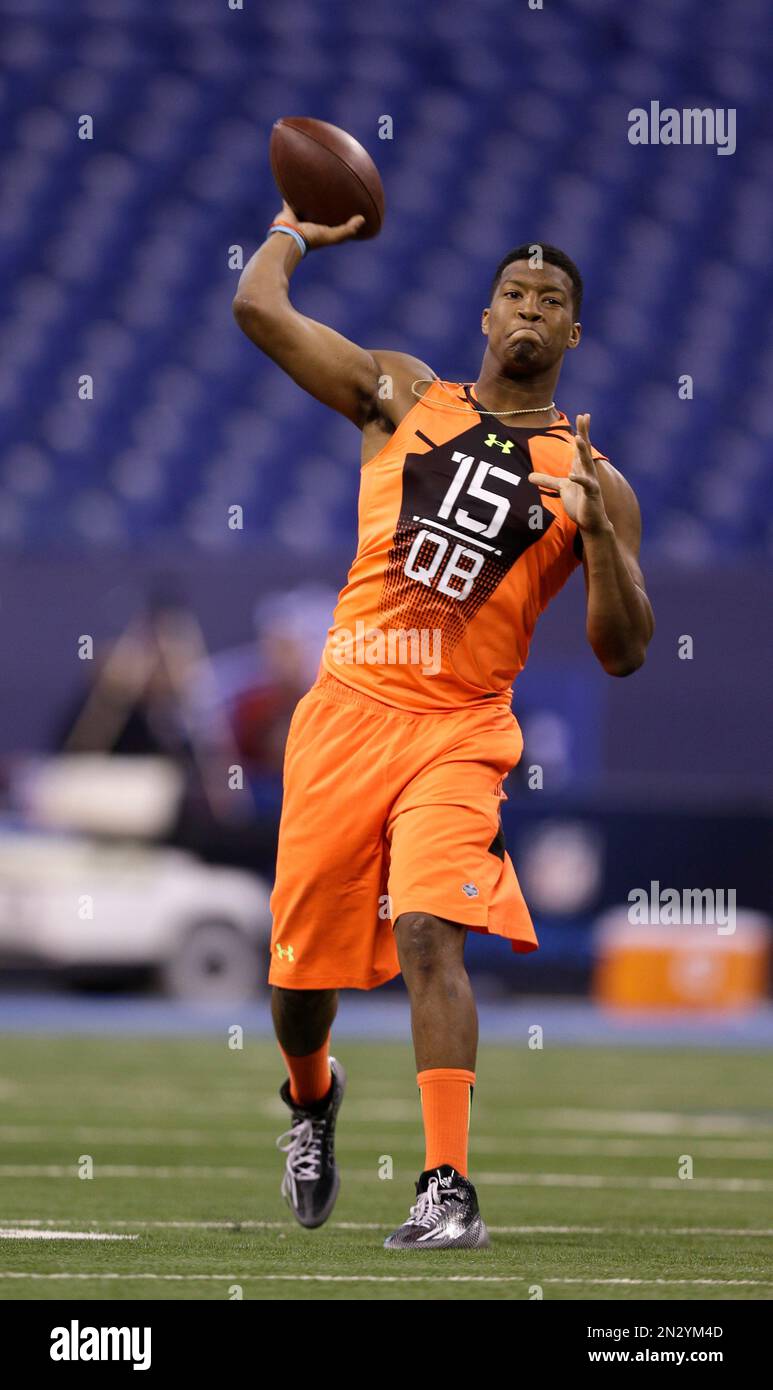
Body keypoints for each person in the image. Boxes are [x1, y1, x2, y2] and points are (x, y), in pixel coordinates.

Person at [232, 205, 654, 1249]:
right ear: (485, 314)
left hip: (459, 733)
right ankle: (310, 1097)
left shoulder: (592, 482)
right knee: (296, 977)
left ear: (572, 337)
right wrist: (294, 230)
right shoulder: (400, 393)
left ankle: (446, 1184)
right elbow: (255, 305)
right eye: (516, 292)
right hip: (344, 714)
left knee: (429, 929)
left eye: (552, 302)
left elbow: (623, 648)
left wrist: (599, 541)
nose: (531, 308)